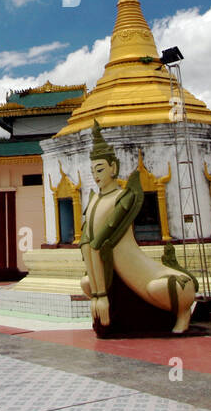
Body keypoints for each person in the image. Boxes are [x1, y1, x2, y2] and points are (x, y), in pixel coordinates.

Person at [78, 122, 197, 333]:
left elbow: (101, 242)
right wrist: (97, 295)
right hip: (108, 272)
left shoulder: (124, 197)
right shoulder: (95, 199)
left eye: (100, 169)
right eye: (93, 171)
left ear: (113, 168)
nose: (96, 176)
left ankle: (182, 314)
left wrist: (101, 296)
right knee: (85, 282)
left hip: (145, 276)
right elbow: (87, 244)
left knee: (160, 287)